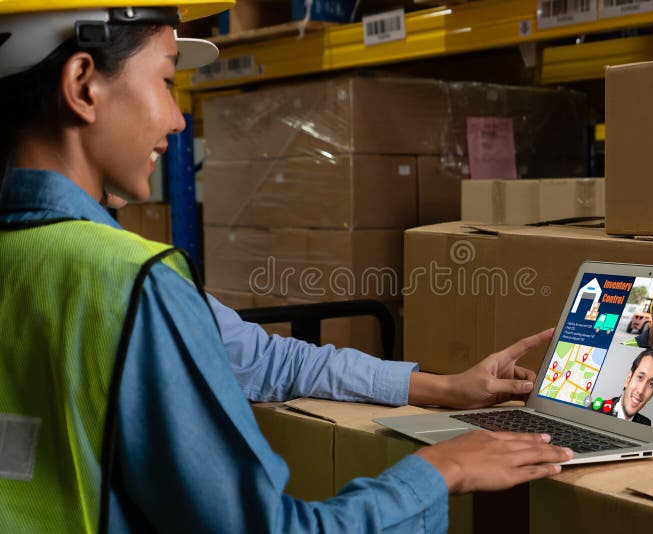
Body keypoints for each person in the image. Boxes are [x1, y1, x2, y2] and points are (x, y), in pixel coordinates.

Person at [0, 3, 572, 532]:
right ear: (82, 85)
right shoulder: (132, 281)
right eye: (168, 81)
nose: (177, 120)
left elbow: (260, 358)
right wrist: (440, 472)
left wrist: (444, 388)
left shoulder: (58, 263)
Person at [604, 349, 653, 426]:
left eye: (651, 384)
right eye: (640, 377)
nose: (641, 391)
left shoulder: (645, 424)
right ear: (628, 378)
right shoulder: (593, 410)